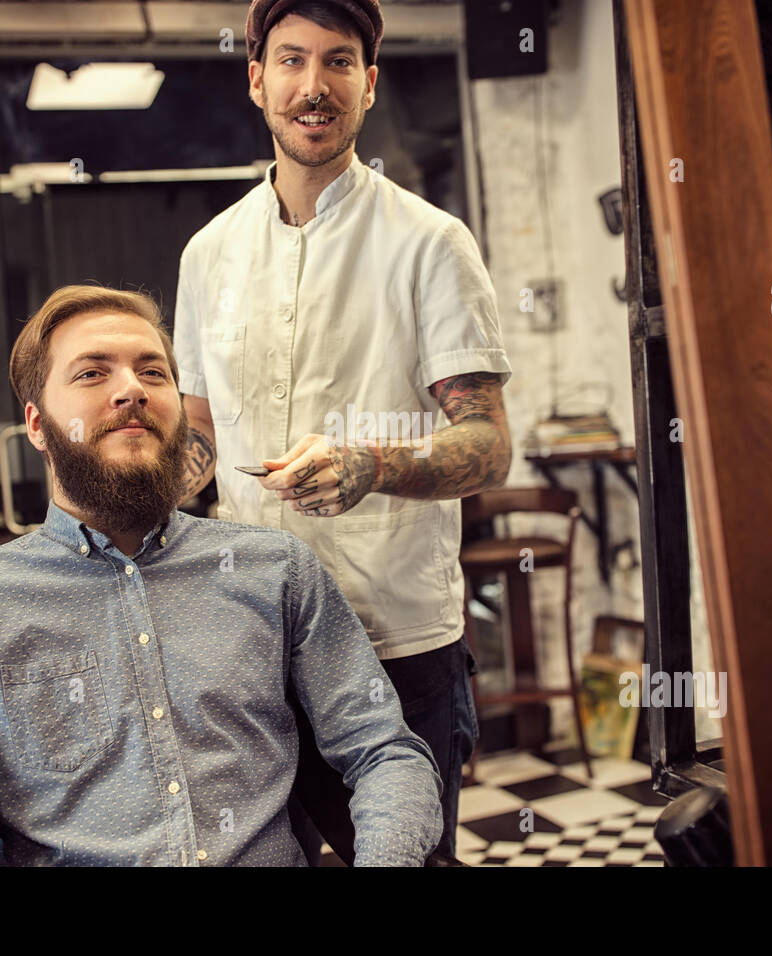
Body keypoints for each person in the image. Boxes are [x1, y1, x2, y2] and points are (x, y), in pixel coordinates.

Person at [0, 284, 442, 866]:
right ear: (38, 426)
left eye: (154, 372)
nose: (131, 390)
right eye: (92, 374)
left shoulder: (276, 571)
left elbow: (385, 753)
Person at [172, 0, 513, 864]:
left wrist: (374, 463)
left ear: (369, 82)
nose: (312, 86)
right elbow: (202, 438)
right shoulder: (207, 255)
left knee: (405, 855)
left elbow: (486, 442)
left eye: (337, 61)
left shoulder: (430, 243)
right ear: (257, 80)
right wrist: (131, 490)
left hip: (394, 639)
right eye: (290, 61)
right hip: (252, 635)